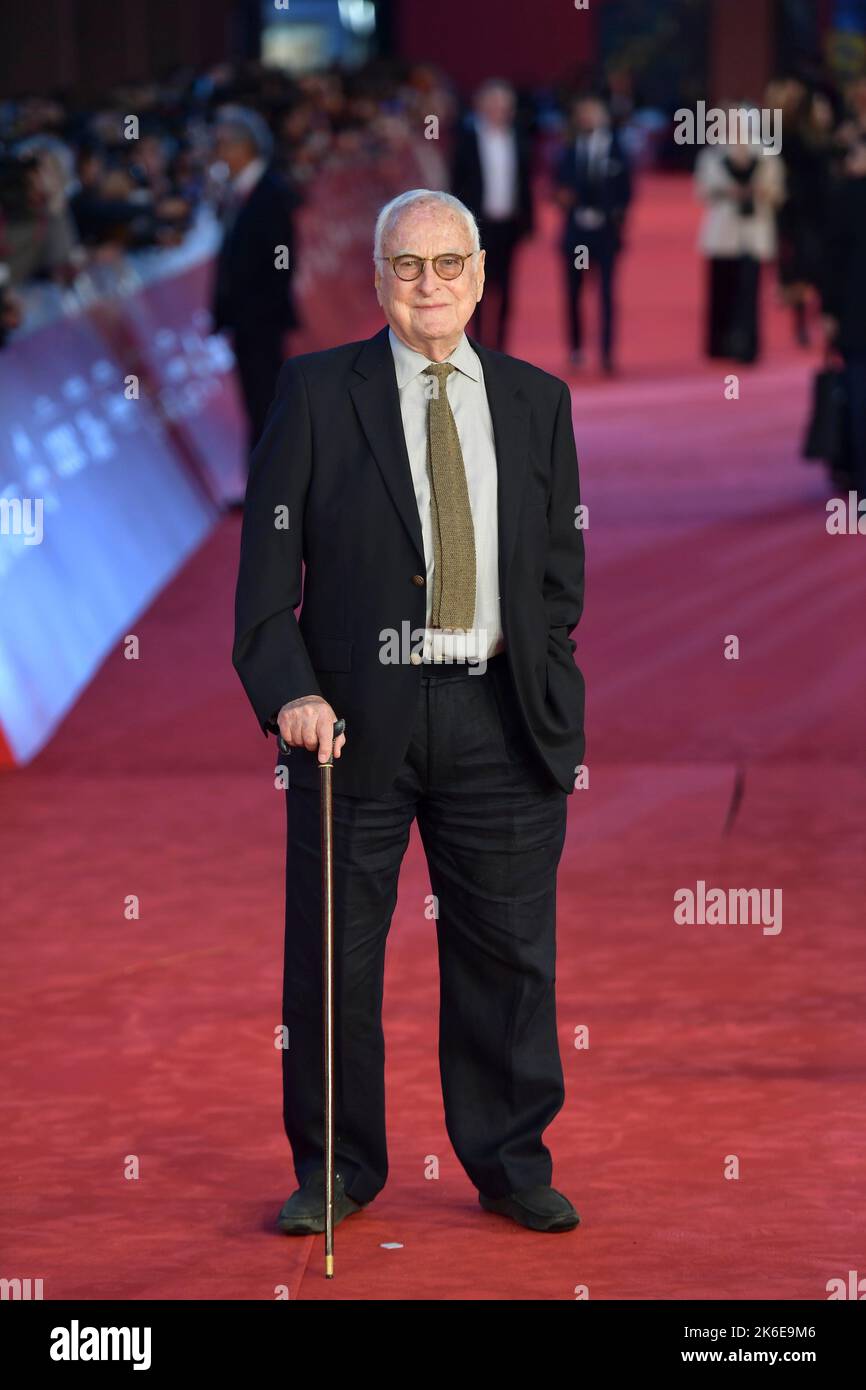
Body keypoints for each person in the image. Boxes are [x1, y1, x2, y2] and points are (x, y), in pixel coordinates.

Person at [232, 188, 586, 1236]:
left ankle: (510, 1160)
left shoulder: (536, 400)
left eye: (445, 264)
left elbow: (557, 573)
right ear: (377, 277)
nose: (426, 285)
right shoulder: (312, 392)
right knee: (334, 958)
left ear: (479, 273)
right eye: (405, 266)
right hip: (348, 728)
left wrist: (546, 677)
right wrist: (291, 691)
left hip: (499, 718)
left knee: (511, 954)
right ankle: (335, 1170)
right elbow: (262, 587)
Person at [211, 106, 301, 468]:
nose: (218, 156)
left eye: (222, 146)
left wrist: (261, 308)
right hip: (247, 320)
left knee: (264, 399)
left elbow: (282, 257)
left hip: (261, 320)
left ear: (242, 148)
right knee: (256, 401)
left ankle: (272, 483)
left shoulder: (271, 192)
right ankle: (263, 479)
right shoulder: (240, 193)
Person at [695, 108, 785, 364]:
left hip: (754, 231)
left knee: (748, 292)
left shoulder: (767, 155)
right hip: (722, 232)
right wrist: (726, 191)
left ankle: (747, 346)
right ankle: (719, 344)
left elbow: (778, 192)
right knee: (721, 289)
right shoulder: (712, 155)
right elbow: (701, 190)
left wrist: (760, 191)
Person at [450, 79, 533, 351]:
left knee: (506, 287)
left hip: (509, 225)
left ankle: (500, 346)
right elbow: (457, 184)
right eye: (494, 104)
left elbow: (525, 182)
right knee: (476, 289)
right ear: (481, 107)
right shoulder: (466, 140)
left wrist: (528, 221)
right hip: (477, 227)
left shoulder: (519, 138)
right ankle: (477, 345)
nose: (499, 110)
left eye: (505, 105)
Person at [554, 95, 632, 374]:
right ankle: (576, 349)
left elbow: (627, 190)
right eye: (583, 113)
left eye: (593, 112)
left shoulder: (618, 149)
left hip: (606, 235)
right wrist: (563, 198)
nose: (587, 118)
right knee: (574, 292)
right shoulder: (569, 148)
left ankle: (607, 352)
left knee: (607, 293)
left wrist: (616, 214)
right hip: (576, 234)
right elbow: (556, 185)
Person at [822, 137, 866, 498]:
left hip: (854, 318)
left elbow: (831, 260)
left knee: (859, 401)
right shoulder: (846, 196)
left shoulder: (847, 196)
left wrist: (830, 311)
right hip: (853, 317)